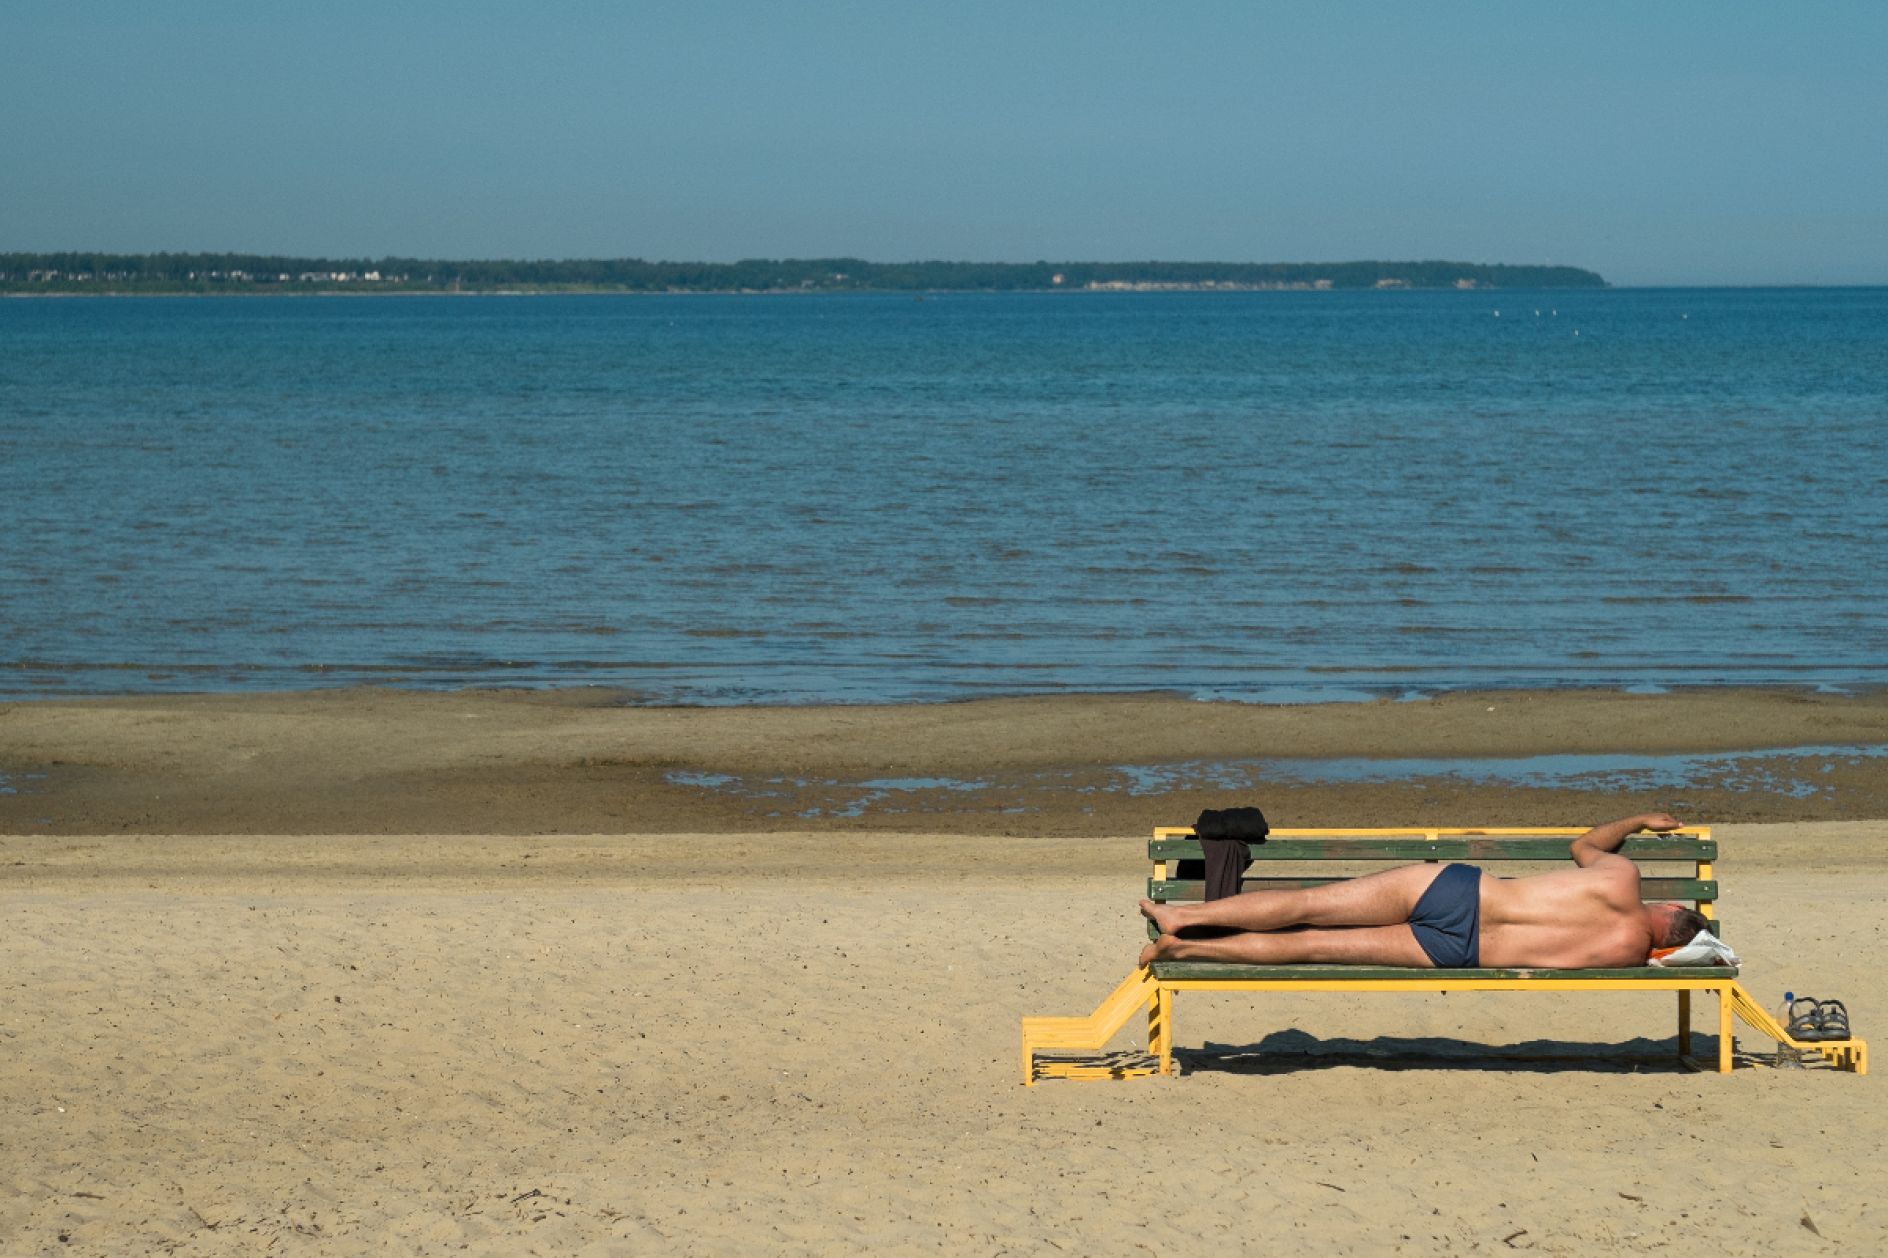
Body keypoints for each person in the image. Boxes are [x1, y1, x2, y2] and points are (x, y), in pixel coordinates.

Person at [1138, 813, 1710, 969]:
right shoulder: (1628, 956)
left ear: (1670, 907)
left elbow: (1585, 843)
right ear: (1667, 943)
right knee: (1310, 943)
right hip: (1459, 953)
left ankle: (1182, 917)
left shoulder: (1622, 880)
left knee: (1311, 905)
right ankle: (1187, 949)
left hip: (1457, 895)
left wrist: (1635, 821)